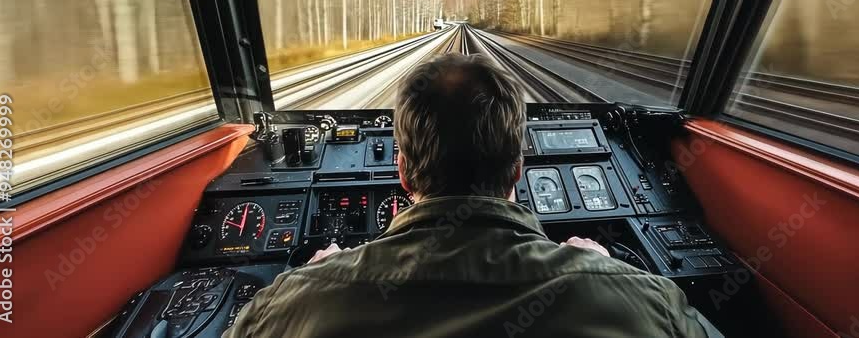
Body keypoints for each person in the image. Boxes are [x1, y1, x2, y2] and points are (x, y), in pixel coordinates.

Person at [225, 54, 718, 337]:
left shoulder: (299, 304)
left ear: (402, 171)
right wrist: (608, 272)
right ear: (518, 171)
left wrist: (314, 280)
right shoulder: (641, 302)